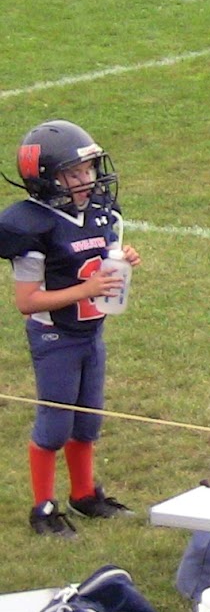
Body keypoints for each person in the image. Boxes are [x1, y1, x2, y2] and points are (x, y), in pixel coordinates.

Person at [0, 120, 140, 537]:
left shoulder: (97, 214)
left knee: (88, 420)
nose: (87, 180)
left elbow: (98, 256)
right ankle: (43, 507)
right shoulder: (31, 227)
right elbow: (26, 302)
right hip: (54, 336)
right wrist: (87, 288)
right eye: (74, 174)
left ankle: (84, 494)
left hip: (91, 333)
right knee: (55, 423)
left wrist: (121, 259)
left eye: (88, 170)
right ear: (46, 180)